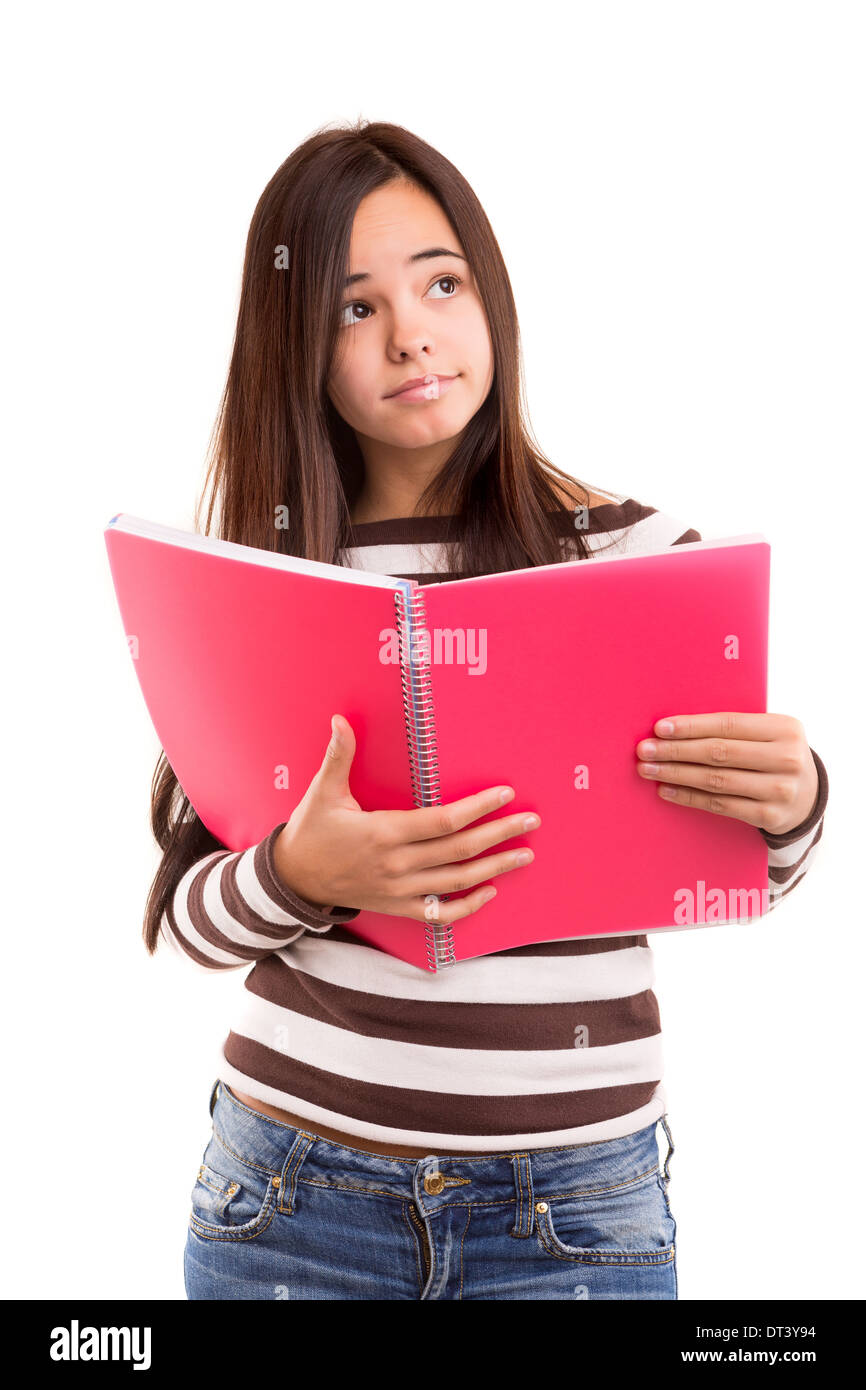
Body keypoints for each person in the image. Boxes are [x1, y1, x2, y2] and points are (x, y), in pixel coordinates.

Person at [144, 121, 829, 1300]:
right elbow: (184, 926)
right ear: (292, 345)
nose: (412, 333)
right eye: (353, 308)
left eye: (441, 283)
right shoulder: (263, 580)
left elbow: (737, 876)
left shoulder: (633, 556)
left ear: (490, 298)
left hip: (573, 1212)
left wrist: (794, 805)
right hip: (291, 1197)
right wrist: (304, 869)